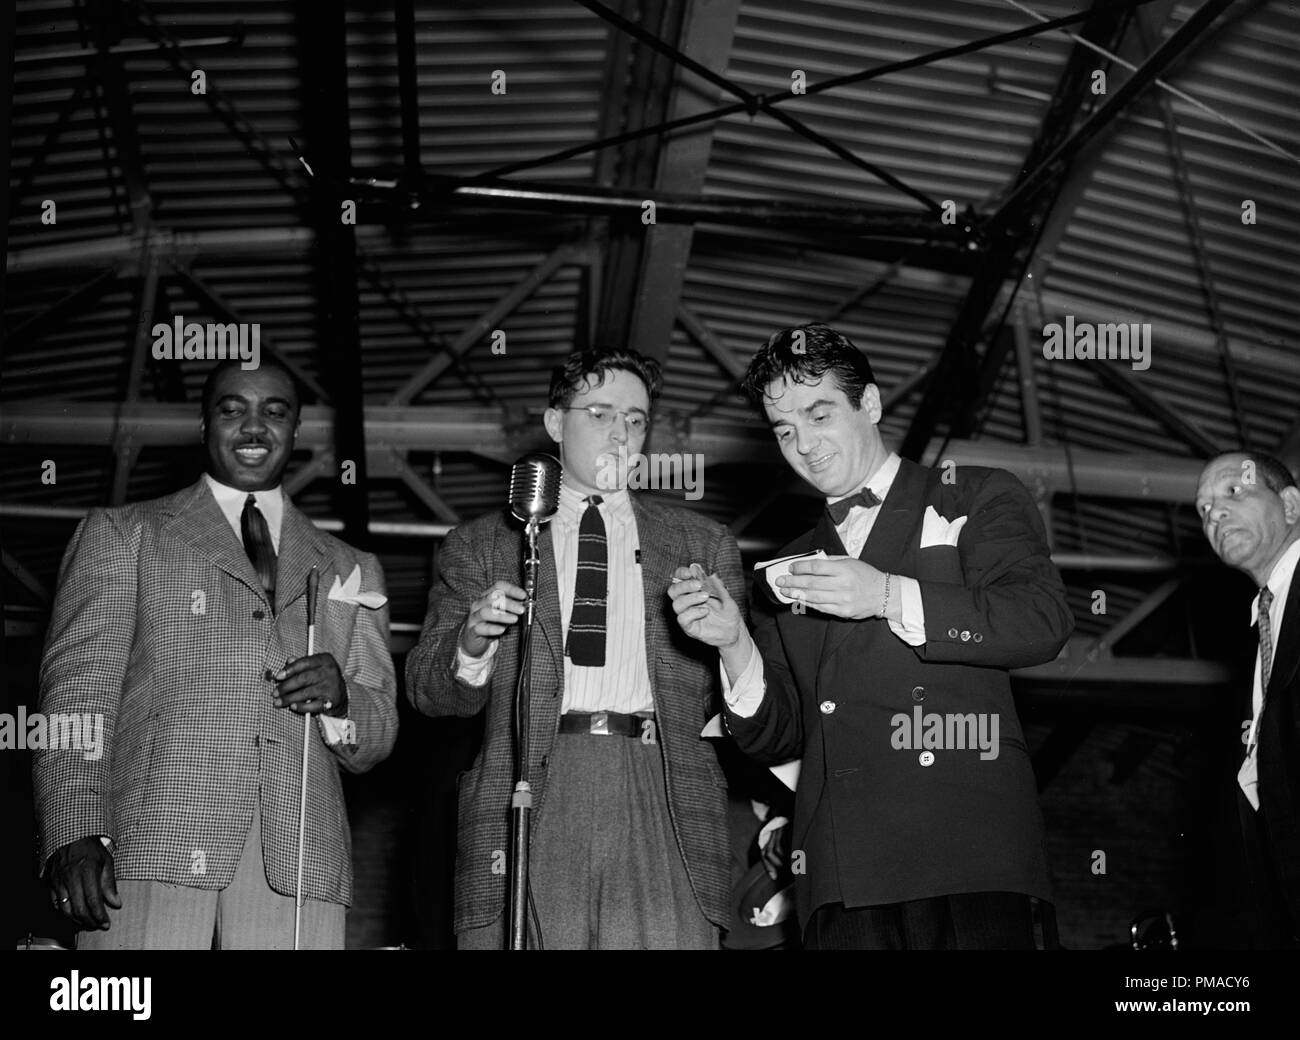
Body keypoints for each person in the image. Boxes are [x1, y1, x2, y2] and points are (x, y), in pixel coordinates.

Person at [668, 323, 1074, 949]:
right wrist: (732, 644)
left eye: (819, 413)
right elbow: (777, 732)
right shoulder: (785, 567)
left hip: (966, 853)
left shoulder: (974, 494)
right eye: (784, 430)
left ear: (872, 404)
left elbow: (1041, 621)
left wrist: (887, 595)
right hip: (839, 874)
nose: (803, 443)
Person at [35, 358, 398, 949]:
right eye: (233, 410)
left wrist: (343, 698)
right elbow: (75, 698)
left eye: (275, 412)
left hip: (300, 863)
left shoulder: (352, 565)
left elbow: (379, 733)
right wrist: (73, 831)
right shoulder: (124, 533)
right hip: (151, 851)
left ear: (297, 429)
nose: (255, 427)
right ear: (204, 426)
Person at [406, 346, 744, 949]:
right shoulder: (481, 544)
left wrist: (734, 643)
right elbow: (430, 695)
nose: (621, 432)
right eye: (600, 413)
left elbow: (747, 705)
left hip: (660, 786)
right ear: (556, 424)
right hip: (530, 782)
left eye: (636, 419)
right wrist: (472, 642)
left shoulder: (703, 544)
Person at [1195, 450, 1300, 948]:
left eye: (1233, 493)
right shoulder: (1261, 625)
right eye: (1203, 509)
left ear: (1292, 506)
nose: (1214, 513)